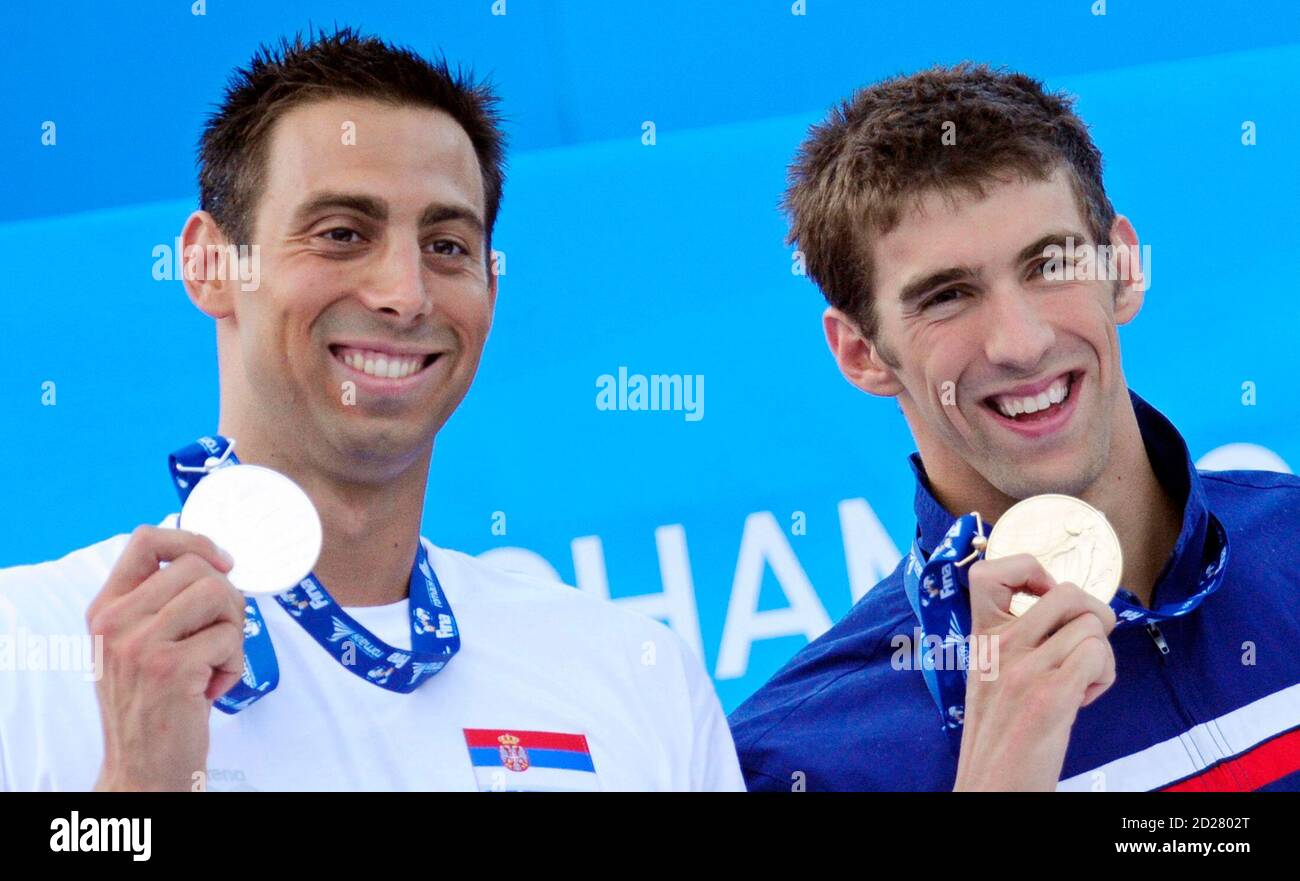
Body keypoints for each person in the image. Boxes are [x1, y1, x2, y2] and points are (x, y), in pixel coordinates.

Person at [0, 28, 743, 792]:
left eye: (447, 245)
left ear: (491, 288)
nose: (405, 293)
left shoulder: (635, 676)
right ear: (210, 265)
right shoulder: (26, 648)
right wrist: (139, 784)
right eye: (342, 234)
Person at [729, 63, 1300, 792]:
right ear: (862, 353)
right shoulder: (796, 758)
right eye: (948, 296)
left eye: (1049, 264)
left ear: (1122, 267)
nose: (1021, 343)